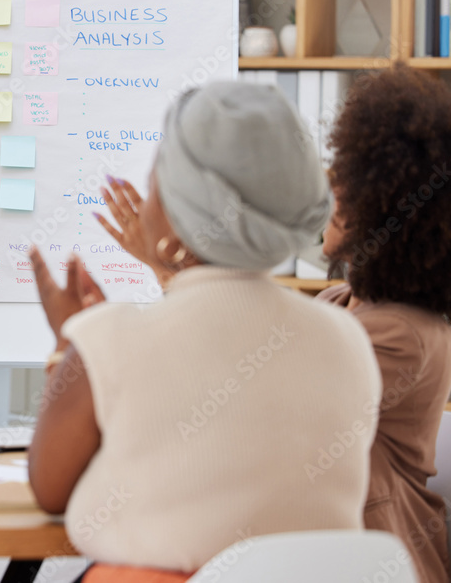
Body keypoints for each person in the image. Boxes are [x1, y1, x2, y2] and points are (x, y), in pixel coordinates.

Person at [27, 81, 383, 582]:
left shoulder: (110, 337)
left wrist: (70, 343)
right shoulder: (346, 340)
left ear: (175, 214)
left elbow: (50, 489)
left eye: (155, 185)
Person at [317, 65, 451, 583]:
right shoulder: (336, 302)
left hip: (382, 564)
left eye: (351, 179)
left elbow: (269, 394)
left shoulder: (405, 335)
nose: (334, 190)